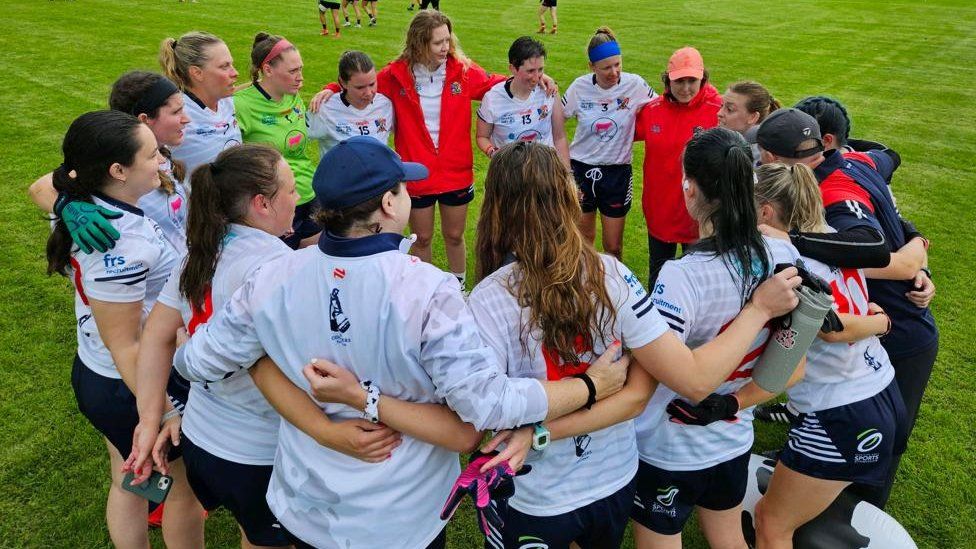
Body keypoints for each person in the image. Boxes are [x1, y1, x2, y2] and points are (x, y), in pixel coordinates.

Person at [171, 136, 631, 549]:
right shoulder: (428, 290)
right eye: (405, 187)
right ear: (389, 204)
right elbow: (487, 405)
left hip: (307, 504)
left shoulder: (272, 276)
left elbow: (197, 361)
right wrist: (590, 386)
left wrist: (211, 348)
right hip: (400, 517)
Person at [466, 141, 802, 549]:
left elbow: (482, 409)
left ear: (495, 207)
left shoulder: (487, 299)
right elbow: (638, 396)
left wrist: (538, 428)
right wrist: (591, 388)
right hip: (613, 478)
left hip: (539, 491)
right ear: (571, 195)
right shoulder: (613, 274)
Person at [628, 128, 804, 549]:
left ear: (689, 189)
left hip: (669, 448)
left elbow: (681, 378)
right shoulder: (784, 255)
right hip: (732, 437)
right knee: (729, 539)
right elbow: (794, 365)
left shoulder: (682, 276)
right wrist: (734, 404)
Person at [756, 103, 937, 509]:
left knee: (872, 457)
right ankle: (809, 470)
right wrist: (916, 242)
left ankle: (854, 510)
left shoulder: (834, 191)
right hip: (874, 323)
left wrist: (792, 243)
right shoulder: (857, 161)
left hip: (894, 331)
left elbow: (873, 247)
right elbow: (889, 154)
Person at [123, 145, 298, 549]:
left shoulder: (203, 248)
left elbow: (156, 335)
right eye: (290, 189)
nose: (298, 196)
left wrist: (151, 418)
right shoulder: (274, 266)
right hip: (257, 449)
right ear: (262, 204)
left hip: (202, 436)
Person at [44, 110, 203, 549]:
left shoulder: (83, 202)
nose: (161, 162)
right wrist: (164, 411)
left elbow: (49, 185)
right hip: (131, 381)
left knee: (129, 477)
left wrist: (64, 203)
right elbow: (127, 345)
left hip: (101, 372)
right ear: (118, 170)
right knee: (182, 491)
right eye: (151, 155)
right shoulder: (121, 244)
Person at [310, 10, 556, 288]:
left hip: (455, 171)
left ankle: (459, 288)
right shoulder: (396, 74)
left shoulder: (463, 71)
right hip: (418, 172)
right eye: (438, 42)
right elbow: (364, 83)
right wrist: (332, 87)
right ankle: (424, 290)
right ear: (419, 42)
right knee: (422, 238)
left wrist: (538, 77)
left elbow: (497, 82)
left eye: (448, 40)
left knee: (454, 236)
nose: (445, 47)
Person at [746, 162, 907, 547]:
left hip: (842, 410)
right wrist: (880, 322)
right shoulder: (832, 236)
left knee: (771, 524)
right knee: (785, 511)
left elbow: (831, 328)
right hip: (880, 387)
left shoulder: (787, 259)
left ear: (766, 211)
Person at [28, 71, 191, 255]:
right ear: (144, 120)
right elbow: (40, 187)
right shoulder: (119, 164)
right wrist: (67, 207)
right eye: (176, 112)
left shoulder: (161, 152)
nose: (187, 119)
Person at [556, 27, 657, 259]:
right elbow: (556, 122)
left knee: (613, 247)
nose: (614, 72)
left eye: (617, 64)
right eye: (606, 68)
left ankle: (612, 281)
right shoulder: (579, 87)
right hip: (580, 169)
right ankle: (585, 281)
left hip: (617, 173)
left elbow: (662, 110)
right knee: (584, 242)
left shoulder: (635, 84)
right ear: (592, 66)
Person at [635, 46, 722, 285]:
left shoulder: (719, 110)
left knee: (696, 282)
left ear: (703, 79)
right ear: (668, 80)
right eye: (679, 81)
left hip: (699, 215)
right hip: (660, 211)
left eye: (692, 81)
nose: (685, 88)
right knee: (659, 276)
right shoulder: (652, 111)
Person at [234, 33, 319, 249]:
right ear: (268, 70)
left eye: (300, 69)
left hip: (309, 194)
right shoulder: (241, 105)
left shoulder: (292, 95)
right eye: (293, 71)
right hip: (275, 205)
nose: (300, 77)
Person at [159, 31, 242, 177]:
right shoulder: (175, 113)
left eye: (231, 64)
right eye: (224, 66)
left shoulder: (225, 100)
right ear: (197, 73)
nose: (235, 73)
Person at [476, 36, 569, 164]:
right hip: (509, 172)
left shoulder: (549, 91)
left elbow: (560, 138)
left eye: (540, 69)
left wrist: (567, 171)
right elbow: (482, 136)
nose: (536, 78)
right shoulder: (493, 99)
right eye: (530, 71)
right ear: (513, 68)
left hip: (545, 171)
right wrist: (493, 152)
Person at [308, 50, 394, 158]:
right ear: (343, 83)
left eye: (372, 84)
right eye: (360, 87)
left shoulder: (385, 105)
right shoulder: (324, 109)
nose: (368, 93)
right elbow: (295, 140)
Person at [717, 81, 780, 166]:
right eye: (721, 106)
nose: (719, 113)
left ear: (753, 117)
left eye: (729, 109)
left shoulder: (756, 158)